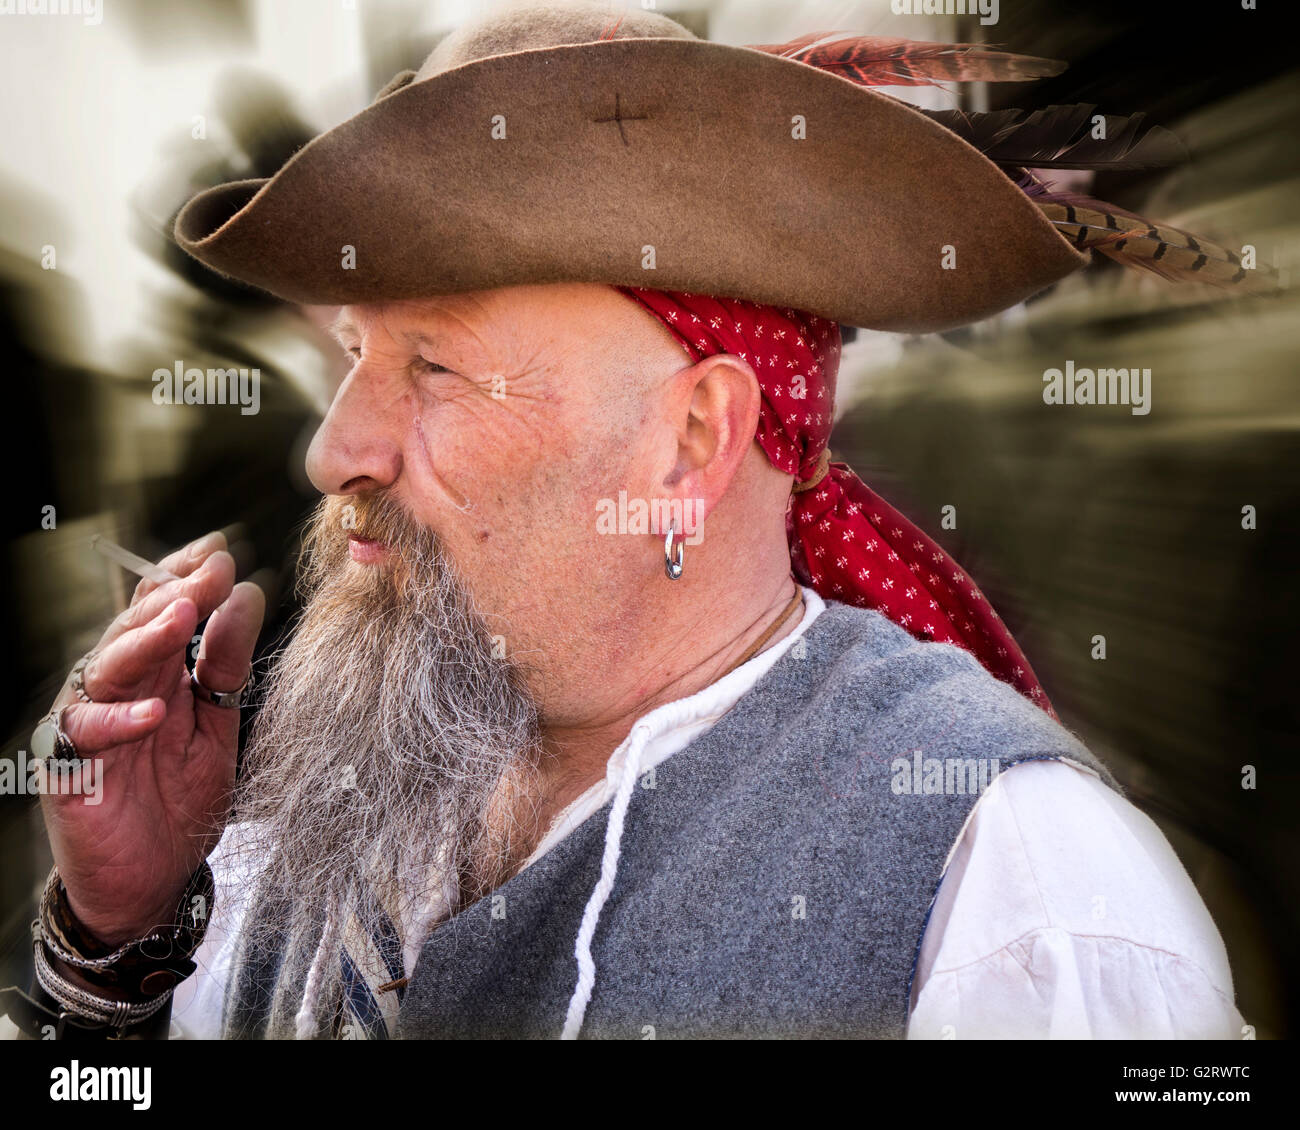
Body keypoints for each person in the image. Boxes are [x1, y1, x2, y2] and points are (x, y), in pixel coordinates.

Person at [4, 1, 1248, 1040]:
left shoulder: (1021, 893)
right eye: (353, 351)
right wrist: (117, 941)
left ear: (692, 438)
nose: (334, 450)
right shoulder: (312, 801)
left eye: (435, 366)